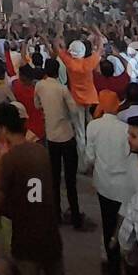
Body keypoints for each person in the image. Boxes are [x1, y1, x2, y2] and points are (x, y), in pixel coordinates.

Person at [0, 102, 63, 275]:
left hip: (26, 240)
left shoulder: (10, 159)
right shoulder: (41, 151)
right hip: (51, 235)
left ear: (3, 128)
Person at [84, 100, 138, 275]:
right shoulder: (126, 129)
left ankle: (113, 272)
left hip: (104, 185)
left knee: (109, 227)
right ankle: (131, 269)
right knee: (127, 228)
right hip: (124, 187)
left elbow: (89, 157)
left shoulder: (93, 126)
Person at [35, 58, 85, 229]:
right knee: (70, 181)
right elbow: (74, 111)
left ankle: (56, 214)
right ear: (58, 72)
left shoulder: (40, 86)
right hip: (66, 136)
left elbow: (37, 105)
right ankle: (76, 217)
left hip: (51, 136)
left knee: (54, 178)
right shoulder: (62, 89)